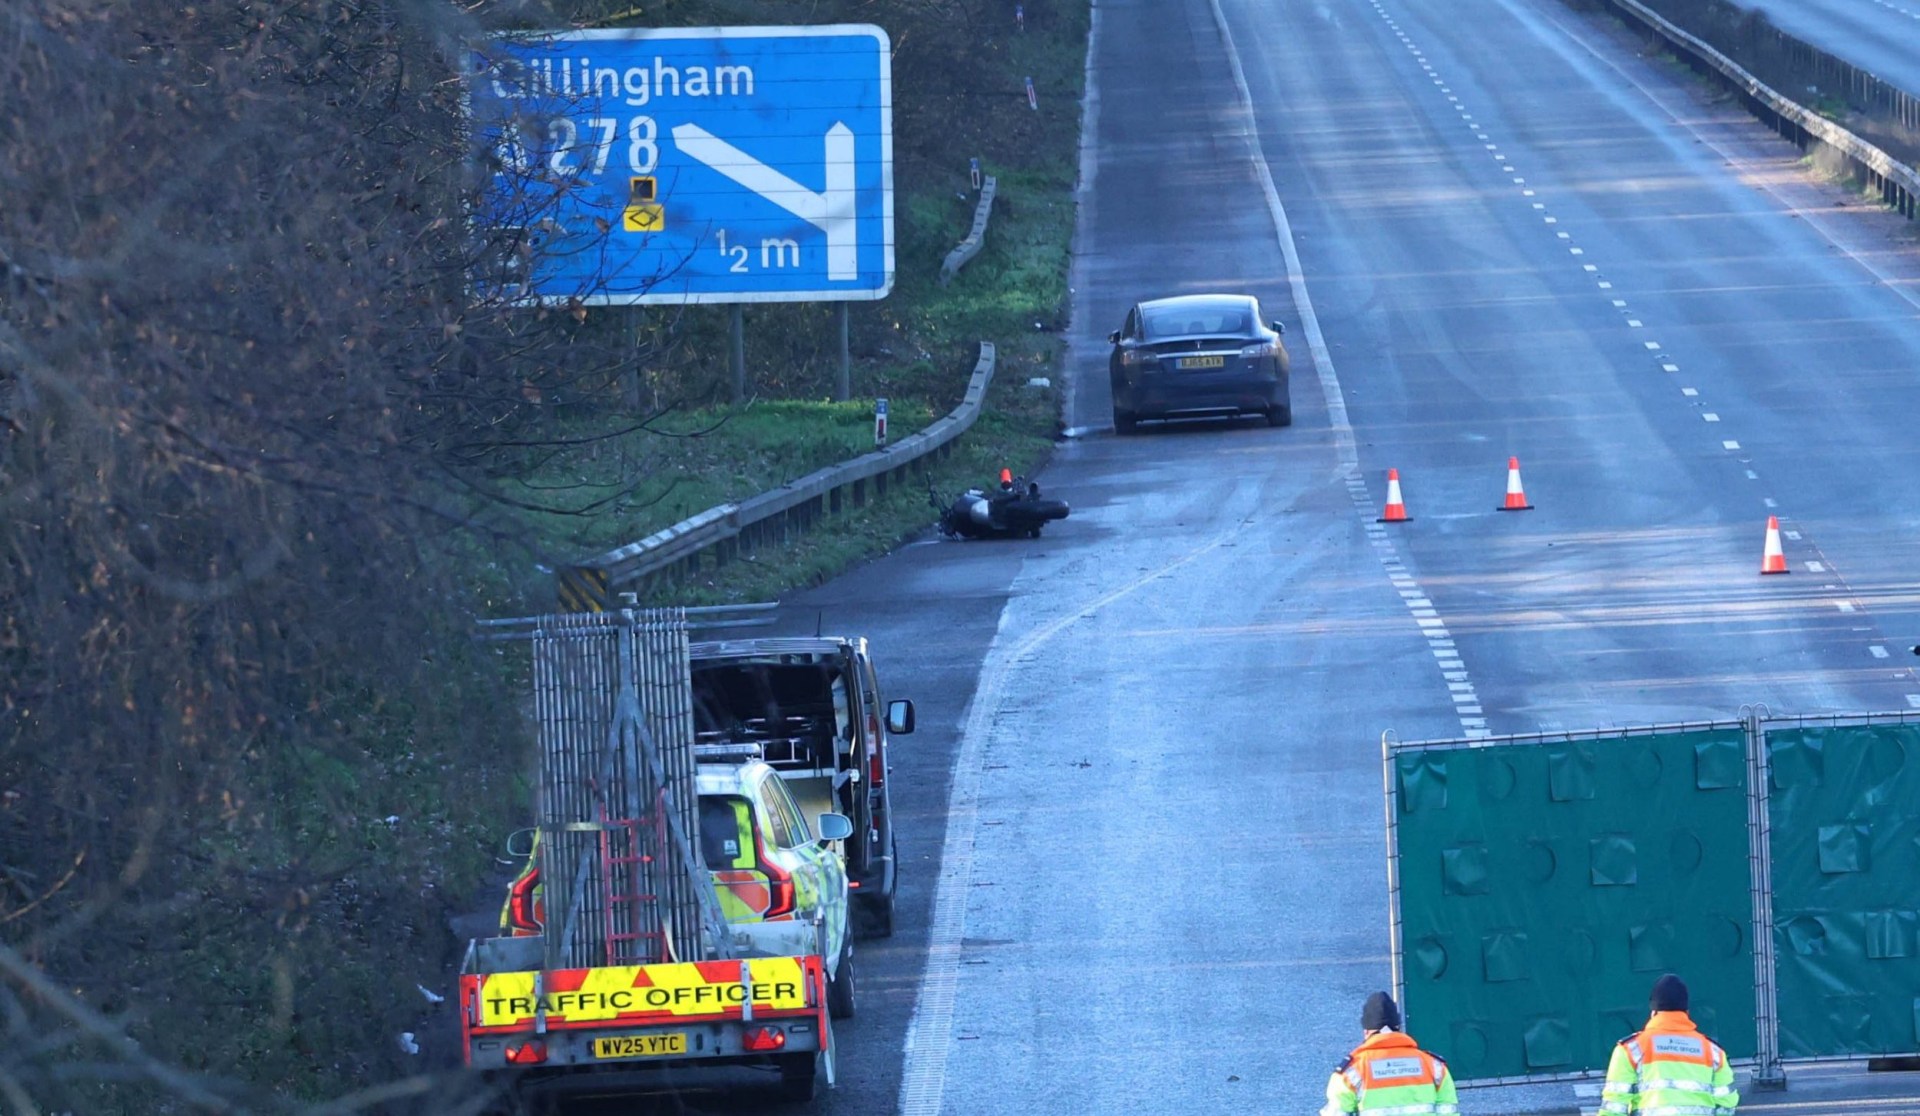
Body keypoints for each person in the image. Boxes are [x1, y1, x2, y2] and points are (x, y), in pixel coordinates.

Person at [1601, 974, 1739, 1115]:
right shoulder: (1713, 1052)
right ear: (1686, 1012)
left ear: (1653, 1013)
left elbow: (1614, 1109)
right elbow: (1726, 1106)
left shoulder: (1630, 1050)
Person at [1321, 992, 1458, 1116]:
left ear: (1366, 1031)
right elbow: (1449, 1113)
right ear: (1398, 1028)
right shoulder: (1434, 1067)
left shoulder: (1351, 1073)